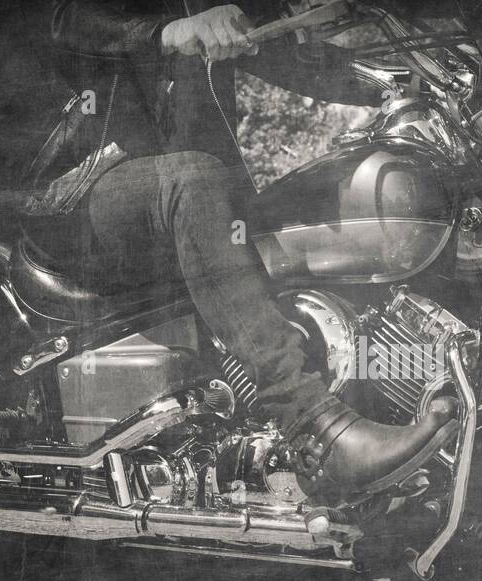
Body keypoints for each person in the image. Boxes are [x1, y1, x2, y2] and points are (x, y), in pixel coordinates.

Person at [25, 1, 456, 500]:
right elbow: (61, 19)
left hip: (183, 194)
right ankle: (313, 423)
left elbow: (289, 52)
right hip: (82, 184)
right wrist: (170, 31)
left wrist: (420, 74)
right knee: (197, 180)